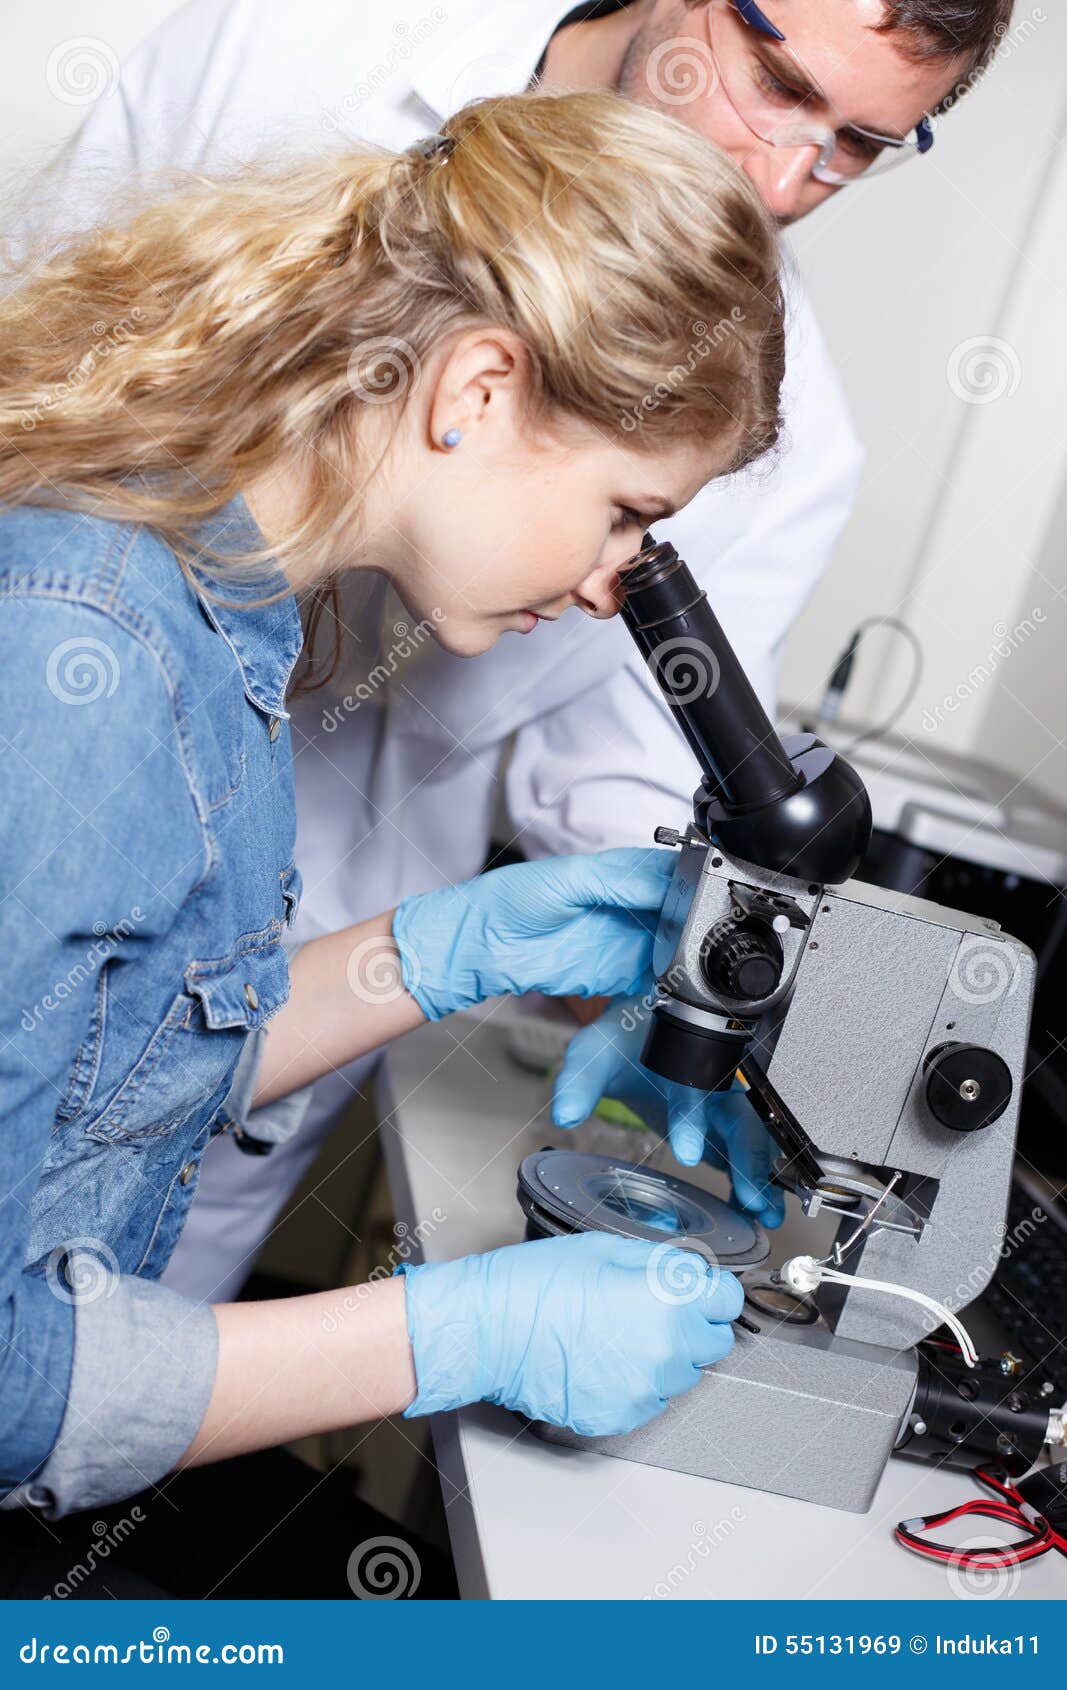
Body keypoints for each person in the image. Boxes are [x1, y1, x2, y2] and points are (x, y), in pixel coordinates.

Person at [32, 0, 1010, 1304]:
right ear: (476, 386)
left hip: (241, 1020)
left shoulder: (787, 436)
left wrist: (597, 958)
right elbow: (47, 381)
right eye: (776, 83)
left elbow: (632, 765)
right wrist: (434, 1337)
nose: (783, 181)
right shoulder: (299, 54)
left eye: (858, 147)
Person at [0, 91, 785, 1595]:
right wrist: (455, 1330)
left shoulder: (224, 599)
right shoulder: (79, 655)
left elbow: (98, 1068)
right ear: (478, 386)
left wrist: (442, 954)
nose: (622, 583)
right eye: (628, 514)